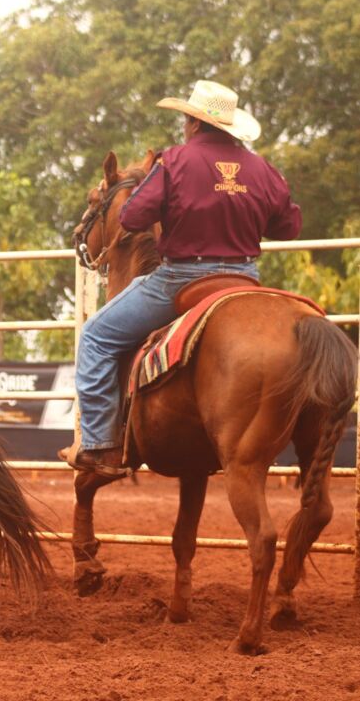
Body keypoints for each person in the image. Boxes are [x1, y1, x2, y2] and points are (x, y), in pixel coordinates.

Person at [69, 80, 302, 478]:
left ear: (193, 122)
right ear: (230, 126)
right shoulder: (262, 167)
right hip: (244, 278)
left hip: (182, 279)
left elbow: (131, 218)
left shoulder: (175, 161)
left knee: (95, 336)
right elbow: (290, 226)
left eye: (185, 119)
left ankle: (99, 446)